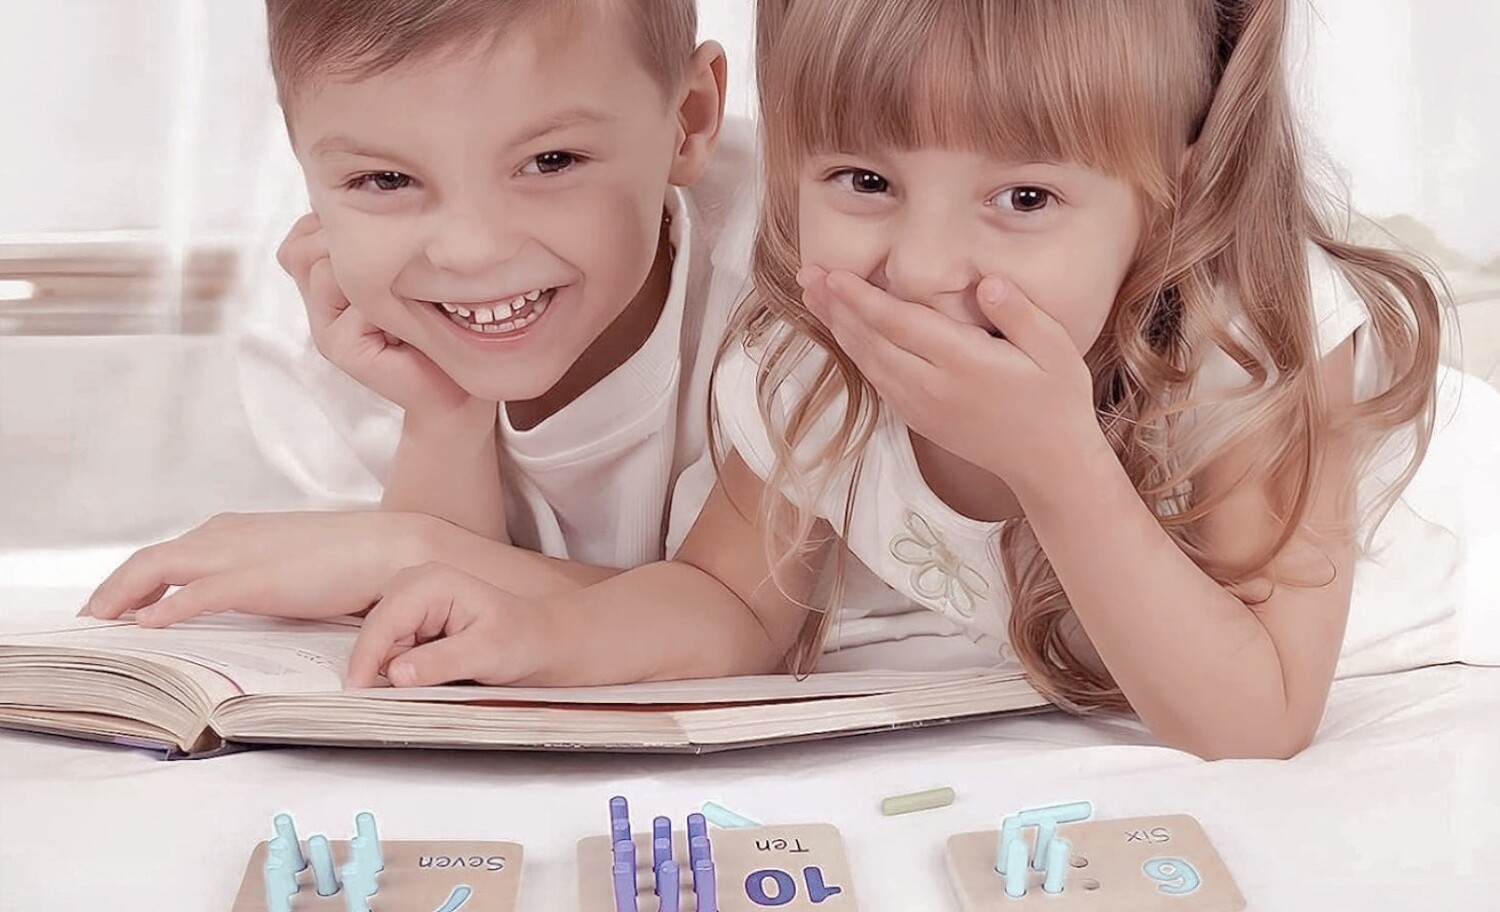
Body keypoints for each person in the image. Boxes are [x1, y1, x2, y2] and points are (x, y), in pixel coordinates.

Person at [349, 0, 1482, 760]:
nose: (925, 266)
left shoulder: (1251, 349)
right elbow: (734, 605)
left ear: (1177, 189)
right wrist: (543, 640)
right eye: (863, 179)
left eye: (1024, 199)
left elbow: (1261, 718)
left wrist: (1055, 459)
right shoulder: (817, 358)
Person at [83, 0, 753, 625]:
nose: (469, 252)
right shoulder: (331, 334)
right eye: (387, 180)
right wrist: (442, 423)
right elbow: (448, 626)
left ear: (687, 120)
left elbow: (745, 619)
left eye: (551, 161)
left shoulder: (789, 275)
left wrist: (399, 550)